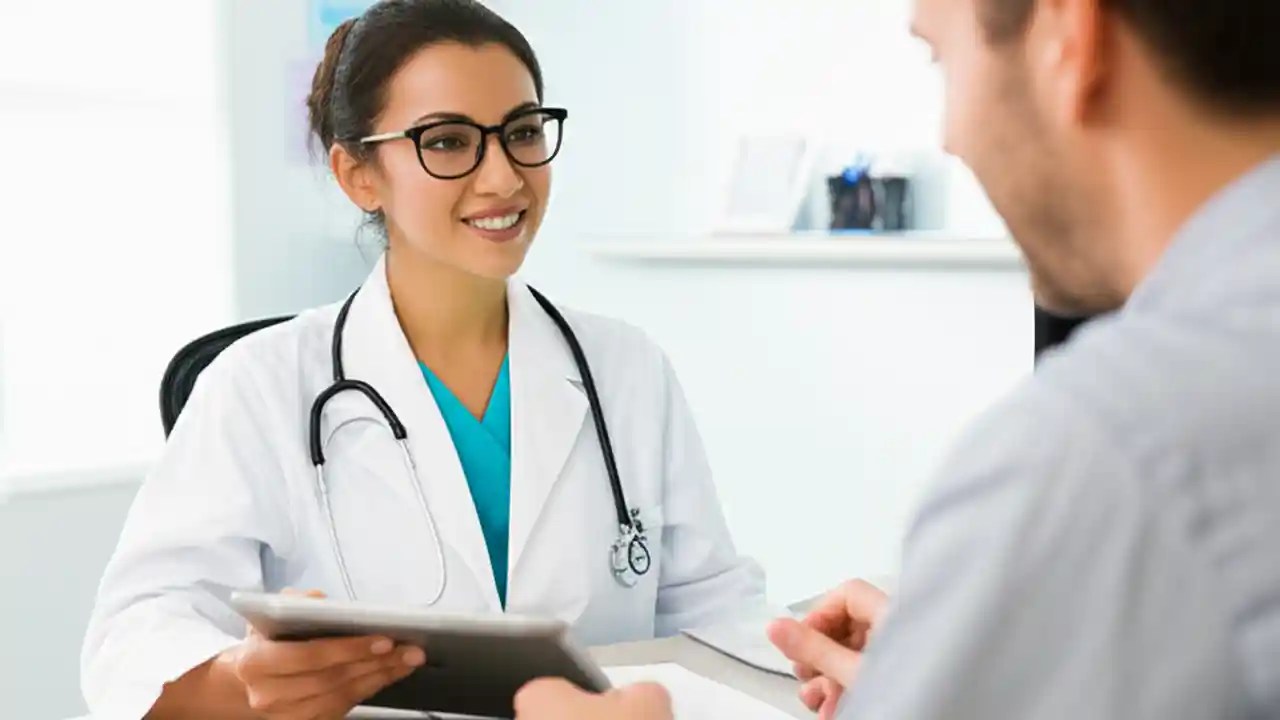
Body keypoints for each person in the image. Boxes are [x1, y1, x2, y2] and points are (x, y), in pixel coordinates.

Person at [514, 0, 1280, 716]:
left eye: (940, 59)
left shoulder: (1101, 448)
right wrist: (950, 674)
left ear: (1069, 40)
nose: (950, 136)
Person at [80, 1, 765, 717]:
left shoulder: (625, 367)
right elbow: (134, 637)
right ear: (358, 175)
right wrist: (239, 680)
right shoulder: (256, 385)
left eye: (523, 132)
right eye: (446, 142)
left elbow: (716, 614)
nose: (503, 177)